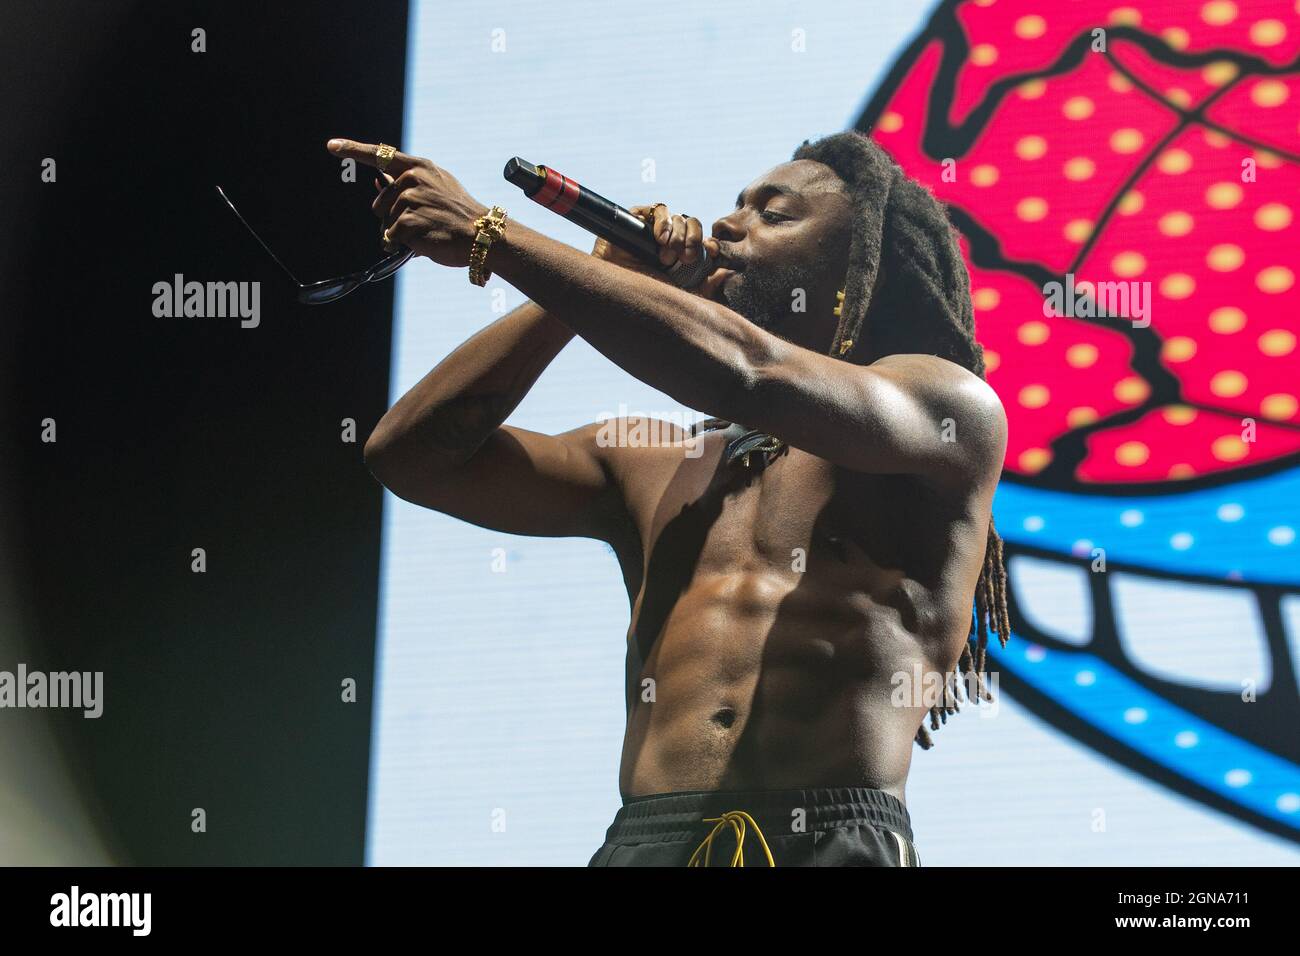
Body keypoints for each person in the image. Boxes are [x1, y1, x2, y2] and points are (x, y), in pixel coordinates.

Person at [333, 129, 1009, 866]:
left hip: (835, 840)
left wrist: (495, 238)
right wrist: (588, 283)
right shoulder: (658, 459)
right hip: (648, 843)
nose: (727, 225)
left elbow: (749, 373)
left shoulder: (949, 408)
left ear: (854, 275)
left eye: (774, 216)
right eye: (735, 206)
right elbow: (409, 456)